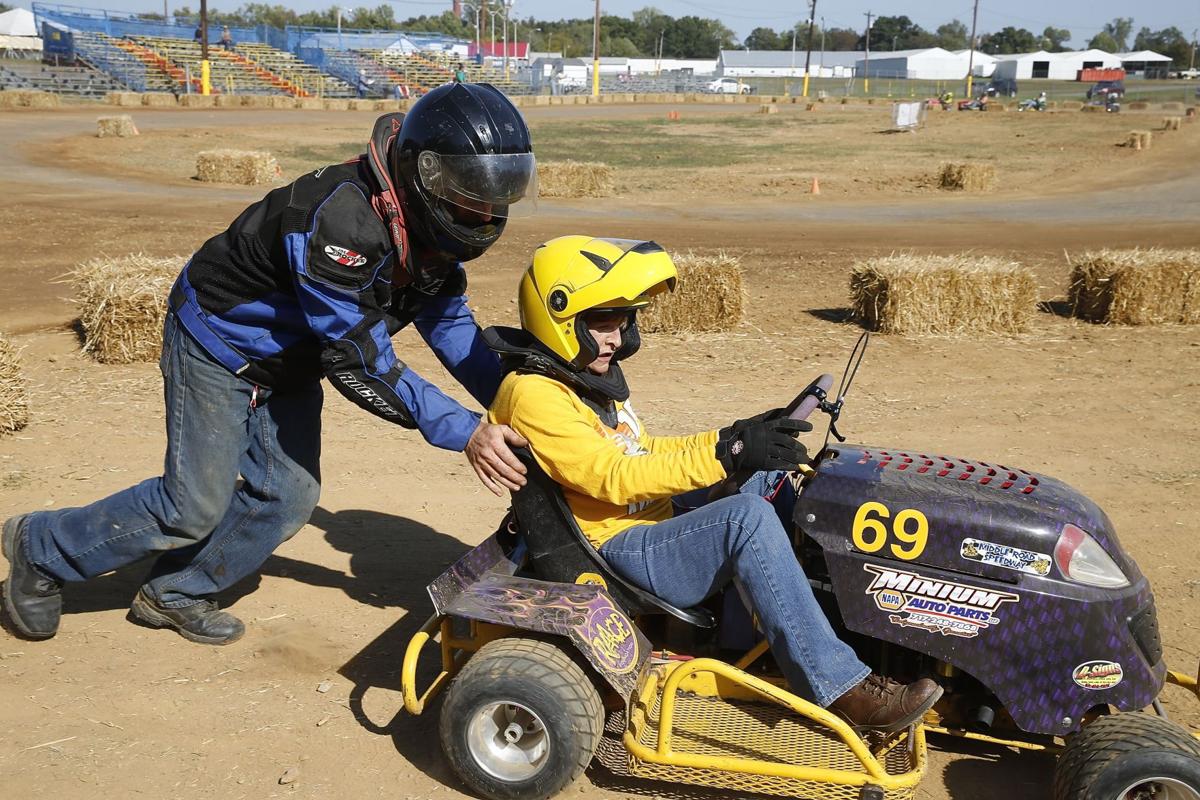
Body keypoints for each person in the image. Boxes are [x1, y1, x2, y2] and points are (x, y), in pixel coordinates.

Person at [2, 84, 538, 646]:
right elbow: (360, 357)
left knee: (287, 497)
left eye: (496, 194)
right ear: (423, 173)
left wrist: (520, 397)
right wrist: (469, 432)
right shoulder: (340, 226)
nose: (485, 210)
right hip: (219, 344)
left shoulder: (425, 231)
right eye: (472, 194)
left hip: (290, 360)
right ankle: (41, 548)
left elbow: (452, 330)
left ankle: (174, 591)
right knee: (191, 505)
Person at [483, 236, 943, 731]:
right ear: (559, 319)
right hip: (611, 553)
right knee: (747, 519)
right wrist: (728, 454)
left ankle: (797, 628)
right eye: (601, 322)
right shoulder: (535, 395)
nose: (616, 338)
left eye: (622, 322)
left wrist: (736, 437)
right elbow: (615, 477)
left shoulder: (581, 381)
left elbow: (645, 451)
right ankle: (840, 686)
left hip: (646, 527)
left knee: (766, 476)